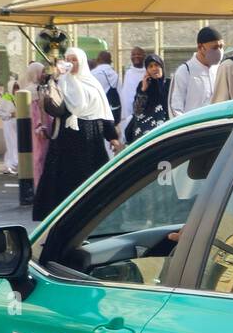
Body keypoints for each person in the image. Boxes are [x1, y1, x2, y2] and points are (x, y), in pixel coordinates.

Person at [33, 47, 122, 220]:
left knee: (90, 182)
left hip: (91, 140)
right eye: (68, 59)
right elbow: (52, 106)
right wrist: (53, 76)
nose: (71, 63)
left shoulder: (93, 84)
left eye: (74, 59)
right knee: (65, 184)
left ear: (81, 61)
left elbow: (102, 113)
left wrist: (112, 137)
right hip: (66, 141)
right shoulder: (60, 82)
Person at [169, 27, 223, 117]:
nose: (219, 51)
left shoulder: (220, 70)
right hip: (193, 128)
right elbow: (175, 109)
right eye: (215, 47)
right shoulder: (185, 71)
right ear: (200, 47)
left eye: (221, 47)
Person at [128, 52, 171, 142]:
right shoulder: (143, 86)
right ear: (147, 70)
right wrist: (143, 90)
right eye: (150, 66)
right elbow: (137, 110)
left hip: (166, 129)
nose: (154, 68)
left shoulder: (169, 84)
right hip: (146, 133)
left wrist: (160, 83)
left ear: (162, 67)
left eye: (156, 65)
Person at [24, 61, 53, 187]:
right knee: (40, 157)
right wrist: (40, 125)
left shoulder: (35, 89)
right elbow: (35, 112)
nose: (44, 75)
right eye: (42, 72)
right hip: (40, 129)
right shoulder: (33, 91)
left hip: (41, 127)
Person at [118, 46, 146, 139]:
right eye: (133, 54)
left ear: (144, 56)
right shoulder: (128, 73)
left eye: (138, 54)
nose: (136, 56)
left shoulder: (147, 73)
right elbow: (126, 94)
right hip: (128, 114)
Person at [0, 74, 19, 176]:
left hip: (18, 125)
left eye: (18, 87)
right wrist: (10, 114)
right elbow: (0, 112)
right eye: (15, 87)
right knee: (11, 145)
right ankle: (11, 165)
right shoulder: (6, 97)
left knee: (15, 145)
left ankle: (9, 166)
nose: (16, 89)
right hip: (9, 124)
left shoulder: (21, 97)